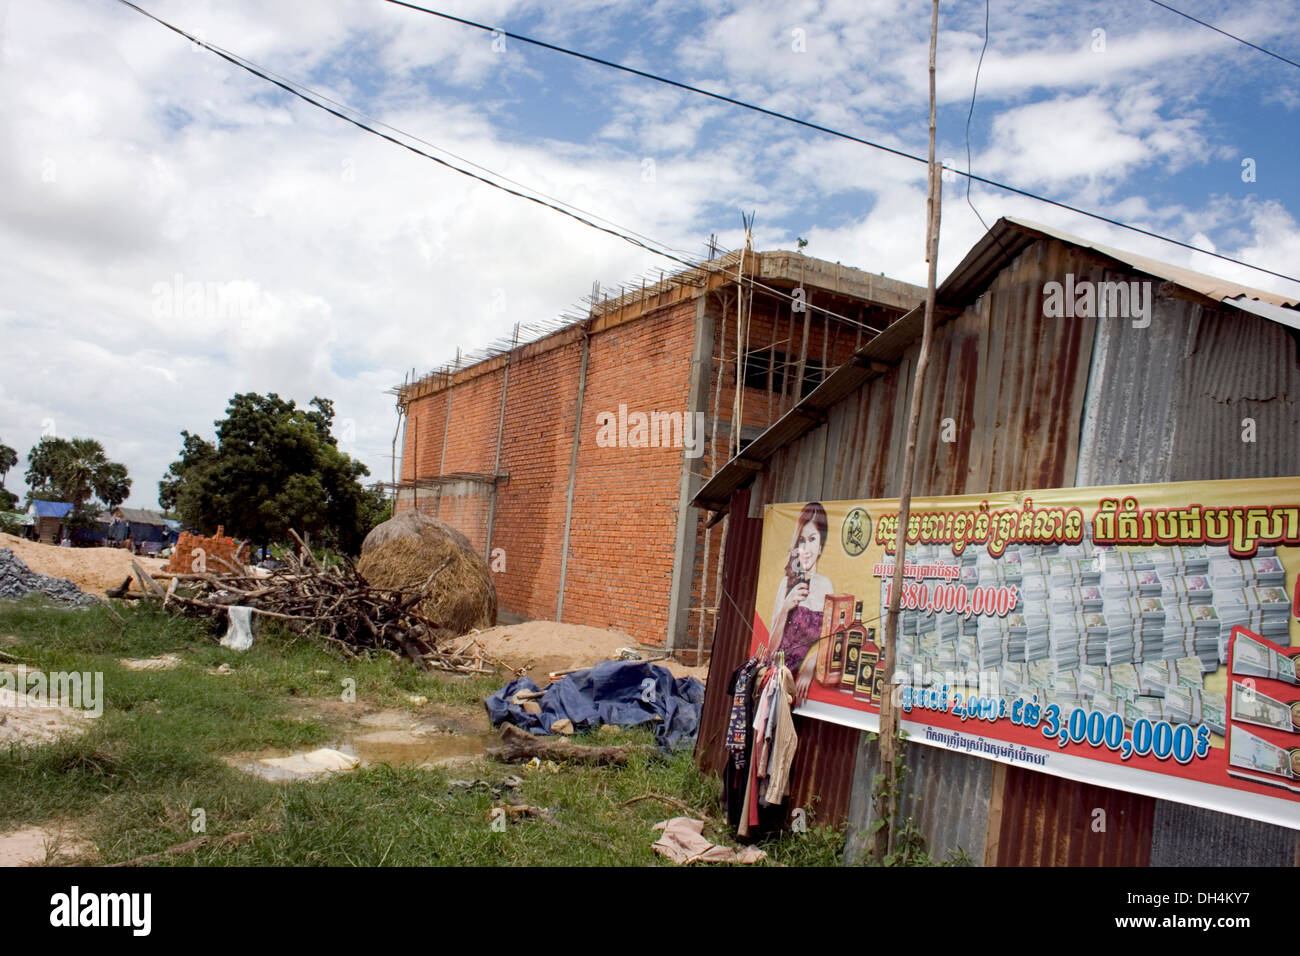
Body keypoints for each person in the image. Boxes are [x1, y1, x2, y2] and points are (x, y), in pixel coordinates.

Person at [767, 501, 833, 705]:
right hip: (778, 675)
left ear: (820, 544)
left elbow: (833, 638)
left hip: (806, 683)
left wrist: (812, 663)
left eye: (812, 539)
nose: (806, 548)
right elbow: (770, 650)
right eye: (801, 541)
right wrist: (786, 607)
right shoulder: (787, 583)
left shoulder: (826, 585)